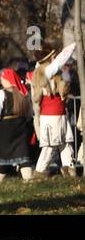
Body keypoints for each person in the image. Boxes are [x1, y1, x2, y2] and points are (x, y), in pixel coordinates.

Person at [31, 46, 76, 177]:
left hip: (60, 112)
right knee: (50, 146)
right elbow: (58, 63)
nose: (54, 57)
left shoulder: (54, 71)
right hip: (50, 114)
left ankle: (69, 169)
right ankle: (39, 171)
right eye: (52, 55)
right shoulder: (44, 71)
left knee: (65, 143)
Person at [0, 67, 34, 181]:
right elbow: (29, 114)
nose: (1, 81)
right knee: (23, 155)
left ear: (7, 79)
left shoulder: (1, 94)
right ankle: (28, 180)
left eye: (2, 79)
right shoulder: (23, 94)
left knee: (2, 157)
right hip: (21, 127)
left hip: (5, 128)